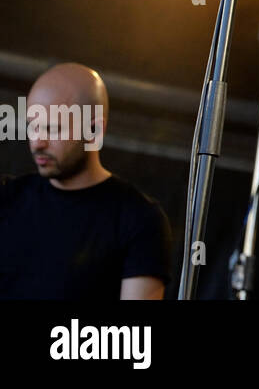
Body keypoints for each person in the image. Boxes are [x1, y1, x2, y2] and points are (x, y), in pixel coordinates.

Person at [0, 62, 172, 299]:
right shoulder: (7, 198)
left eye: (52, 129)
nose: (37, 142)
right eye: (33, 127)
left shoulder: (139, 220)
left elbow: (134, 335)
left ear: (94, 131)